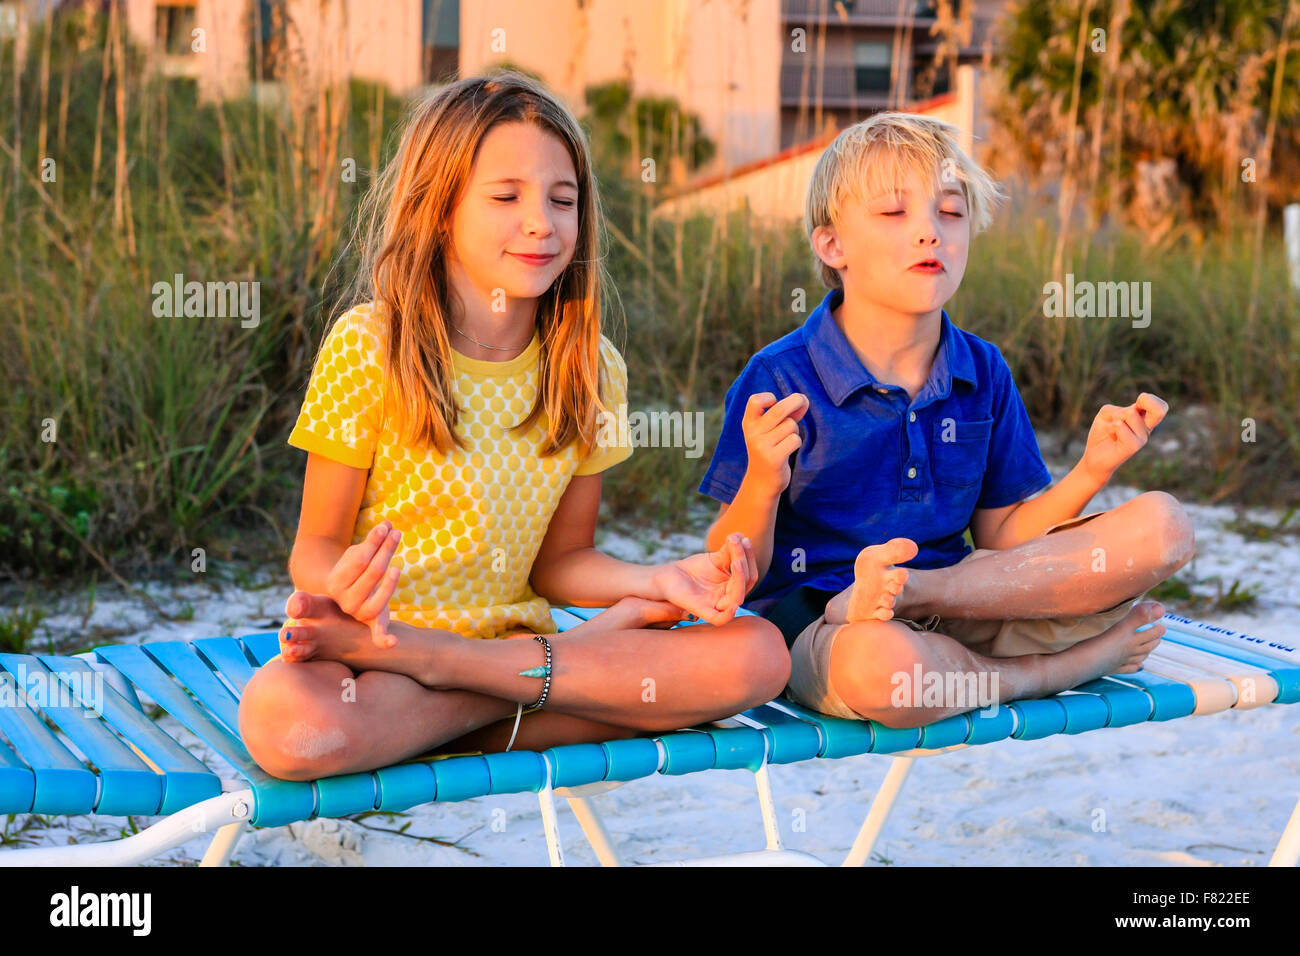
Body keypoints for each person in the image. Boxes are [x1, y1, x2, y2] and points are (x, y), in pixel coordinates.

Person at [238, 73, 789, 781]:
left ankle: (466, 680)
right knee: (287, 723)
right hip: (380, 654)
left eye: (564, 201)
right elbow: (312, 548)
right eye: (507, 197)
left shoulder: (589, 366)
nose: (542, 222)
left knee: (758, 655)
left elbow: (560, 565)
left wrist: (656, 582)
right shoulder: (370, 345)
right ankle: (521, 695)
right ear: (439, 211)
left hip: (511, 648)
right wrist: (342, 580)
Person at [699, 112, 1194, 727]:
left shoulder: (981, 370)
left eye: (950, 212)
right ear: (833, 245)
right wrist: (764, 480)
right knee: (883, 670)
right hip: (837, 631)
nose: (929, 233)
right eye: (893, 213)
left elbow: (1004, 540)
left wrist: (1092, 469)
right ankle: (1063, 668)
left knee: (1163, 527)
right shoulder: (780, 378)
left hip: (963, 601)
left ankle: (925, 599)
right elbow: (728, 566)